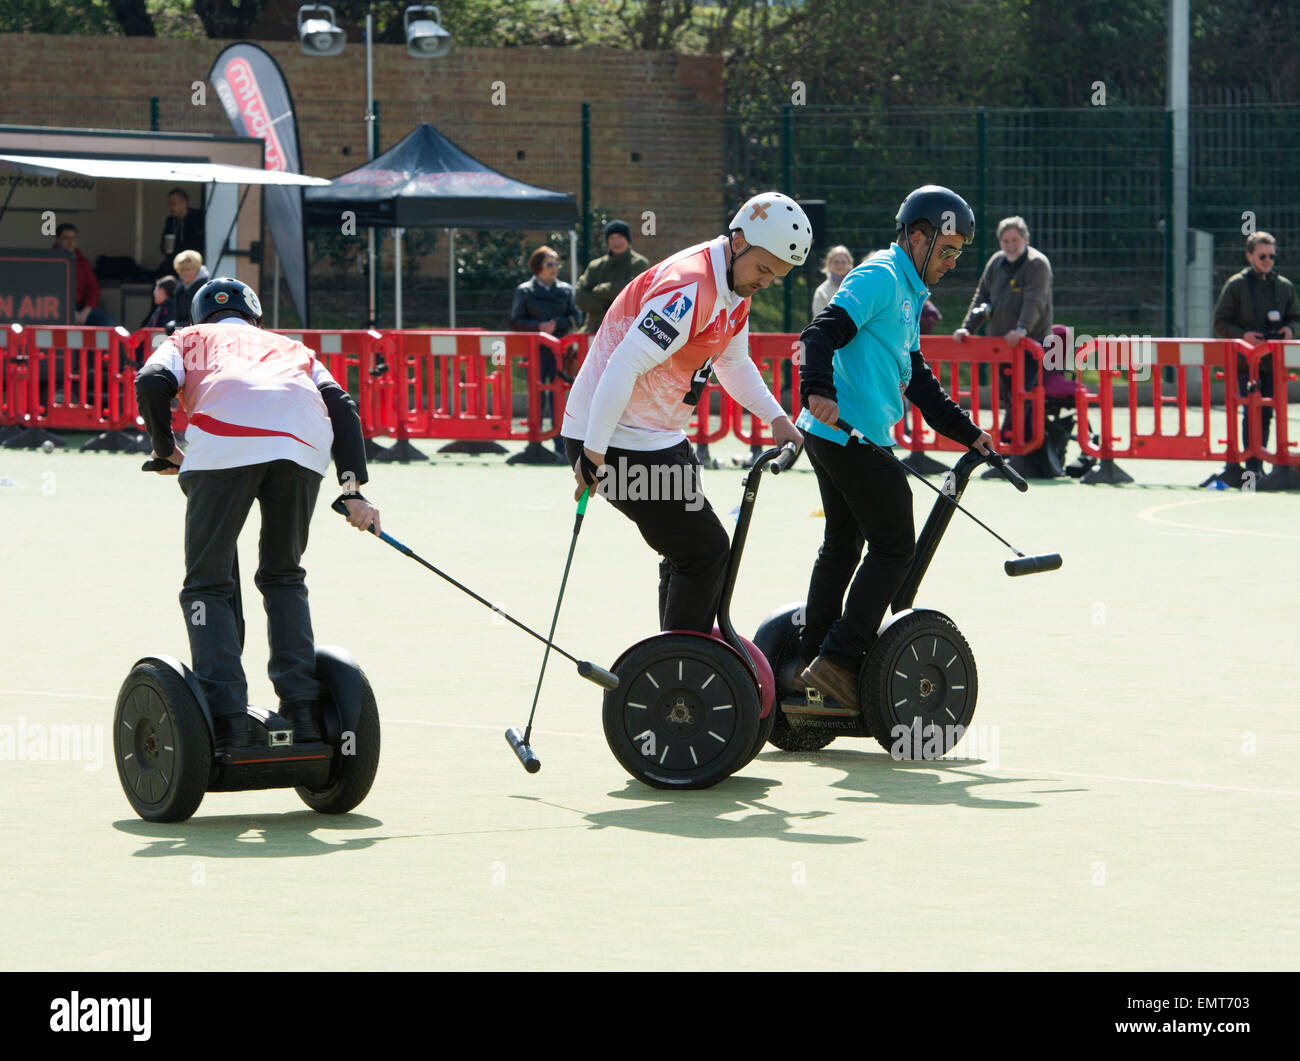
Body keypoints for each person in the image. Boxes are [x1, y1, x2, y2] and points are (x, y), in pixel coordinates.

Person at [134, 277, 380, 751]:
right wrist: (352, 492)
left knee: (207, 584)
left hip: (223, 448)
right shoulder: (293, 348)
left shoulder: (185, 338)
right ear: (256, 318)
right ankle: (305, 714)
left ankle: (226, 718)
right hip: (303, 448)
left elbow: (151, 382)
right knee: (284, 576)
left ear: (197, 317)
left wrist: (166, 449)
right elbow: (343, 409)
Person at [563, 191, 808, 633]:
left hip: (661, 438)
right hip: (612, 441)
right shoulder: (690, 289)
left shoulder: (736, 286)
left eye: (778, 276)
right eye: (764, 270)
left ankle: (676, 656)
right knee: (706, 551)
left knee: (687, 554)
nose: (766, 282)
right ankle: (683, 669)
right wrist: (593, 454)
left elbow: (733, 363)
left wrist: (776, 417)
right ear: (738, 241)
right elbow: (622, 365)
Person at [795, 185, 994, 708]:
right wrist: (817, 389)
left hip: (836, 436)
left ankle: (813, 658)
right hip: (848, 433)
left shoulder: (907, 291)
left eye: (958, 253)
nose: (952, 262)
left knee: (842, 544)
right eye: (947, 250)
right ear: (919, 236)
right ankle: (840, 660)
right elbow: (820, 334)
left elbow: (920, 381)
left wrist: (969, 432)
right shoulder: (881, 277)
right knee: (895, 547)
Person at [1207, 231, 1300, 485]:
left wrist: (1290, 330)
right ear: (1250, 256)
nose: (1268, 260)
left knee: (1268, 411)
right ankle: (1252, 465)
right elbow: (1220, 322)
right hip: (1246, 362)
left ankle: (1266, 462)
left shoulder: (1284, 286)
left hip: (1273, 362)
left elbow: (1295, 317)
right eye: (1262, 255)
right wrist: (1244, 335)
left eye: (1271, 256)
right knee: (1251, 411)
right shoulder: (1236, 285)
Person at [953, 216, 1052, 446]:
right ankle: (1012, 446)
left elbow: (1034, 300)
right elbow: (982, 296)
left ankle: (1015, 448)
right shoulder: (996, 263)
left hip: (1030, 346)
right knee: (1007, 397)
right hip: (1000, 346)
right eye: (1005, 240)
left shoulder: (1037, 264)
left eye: (1015, 240)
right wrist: (967, 328)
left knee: (1024, 396)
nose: (1010, 245)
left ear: (1025, 239)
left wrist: (1022, 329)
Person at [512, 245, 583, 453]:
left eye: (556, 263)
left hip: (559, 352)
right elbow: (516, 321)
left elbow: (576, 317)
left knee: (558, 395)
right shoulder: (525, 291)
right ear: (538, 267)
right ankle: (534, 441)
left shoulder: (566, 290)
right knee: (536, 394)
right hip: (536, 353)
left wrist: (557, 323)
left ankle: (560, 444)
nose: (554, 268)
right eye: (549, 264)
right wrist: (538, 327)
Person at [574, 220, 651, 334]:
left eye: (620, 237)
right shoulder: (595, 266)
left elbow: (632, 292)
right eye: (612, 238)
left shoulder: (639, 264)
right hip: (594, 329)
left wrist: (599, 290)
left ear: (627, 239)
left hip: (627, 332)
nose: (616, 242)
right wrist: (606, 305)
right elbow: (580, 297)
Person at [52, 223, 114, 326]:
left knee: (107, 322)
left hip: (81, 307)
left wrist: (85, 312)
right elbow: (49, 290)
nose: (70, 243)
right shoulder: (49, 261)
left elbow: (93, 288)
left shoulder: (83, 262)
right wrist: (70, 312)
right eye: (66, 238)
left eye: (73, 238)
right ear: (58, 240)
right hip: (55, 308)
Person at [157, 187, 205, 277]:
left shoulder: (197, 218)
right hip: (175, 265)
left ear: (184, 203)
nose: (170, 207)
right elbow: (163, 245)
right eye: (169, 204)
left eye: (173, 204)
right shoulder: (170, 221)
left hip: (192, 265)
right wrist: (165, 248)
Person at [171, 250, 210, 327]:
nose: (185, 273)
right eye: (182, 270)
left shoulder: (206, 289)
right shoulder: (179, 290)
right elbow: (177, 317)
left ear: (197, 269)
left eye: (188, 269)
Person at [812, 245, 853, 318]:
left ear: (849, 264)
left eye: (843, 262)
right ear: (828, 264)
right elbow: (818, 319)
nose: (840, 265)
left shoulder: (856, 286)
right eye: (836, 262)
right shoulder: (821, 291)